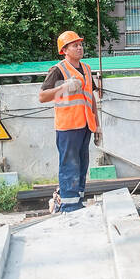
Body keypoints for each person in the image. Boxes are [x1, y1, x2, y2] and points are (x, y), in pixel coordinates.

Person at [37, 31, 101, 213]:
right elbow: (42, 96)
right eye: (75, 45)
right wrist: (65, 87)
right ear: (64, 50)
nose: (79, 47)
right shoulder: (58, 70)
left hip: (85, 125)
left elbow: (91, 97)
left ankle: (77, 201)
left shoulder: (87, 69)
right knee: (69, 165)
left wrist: (97, 125)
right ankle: (68, 205)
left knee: (81, 164)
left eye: (80, 44)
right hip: (68, 127)